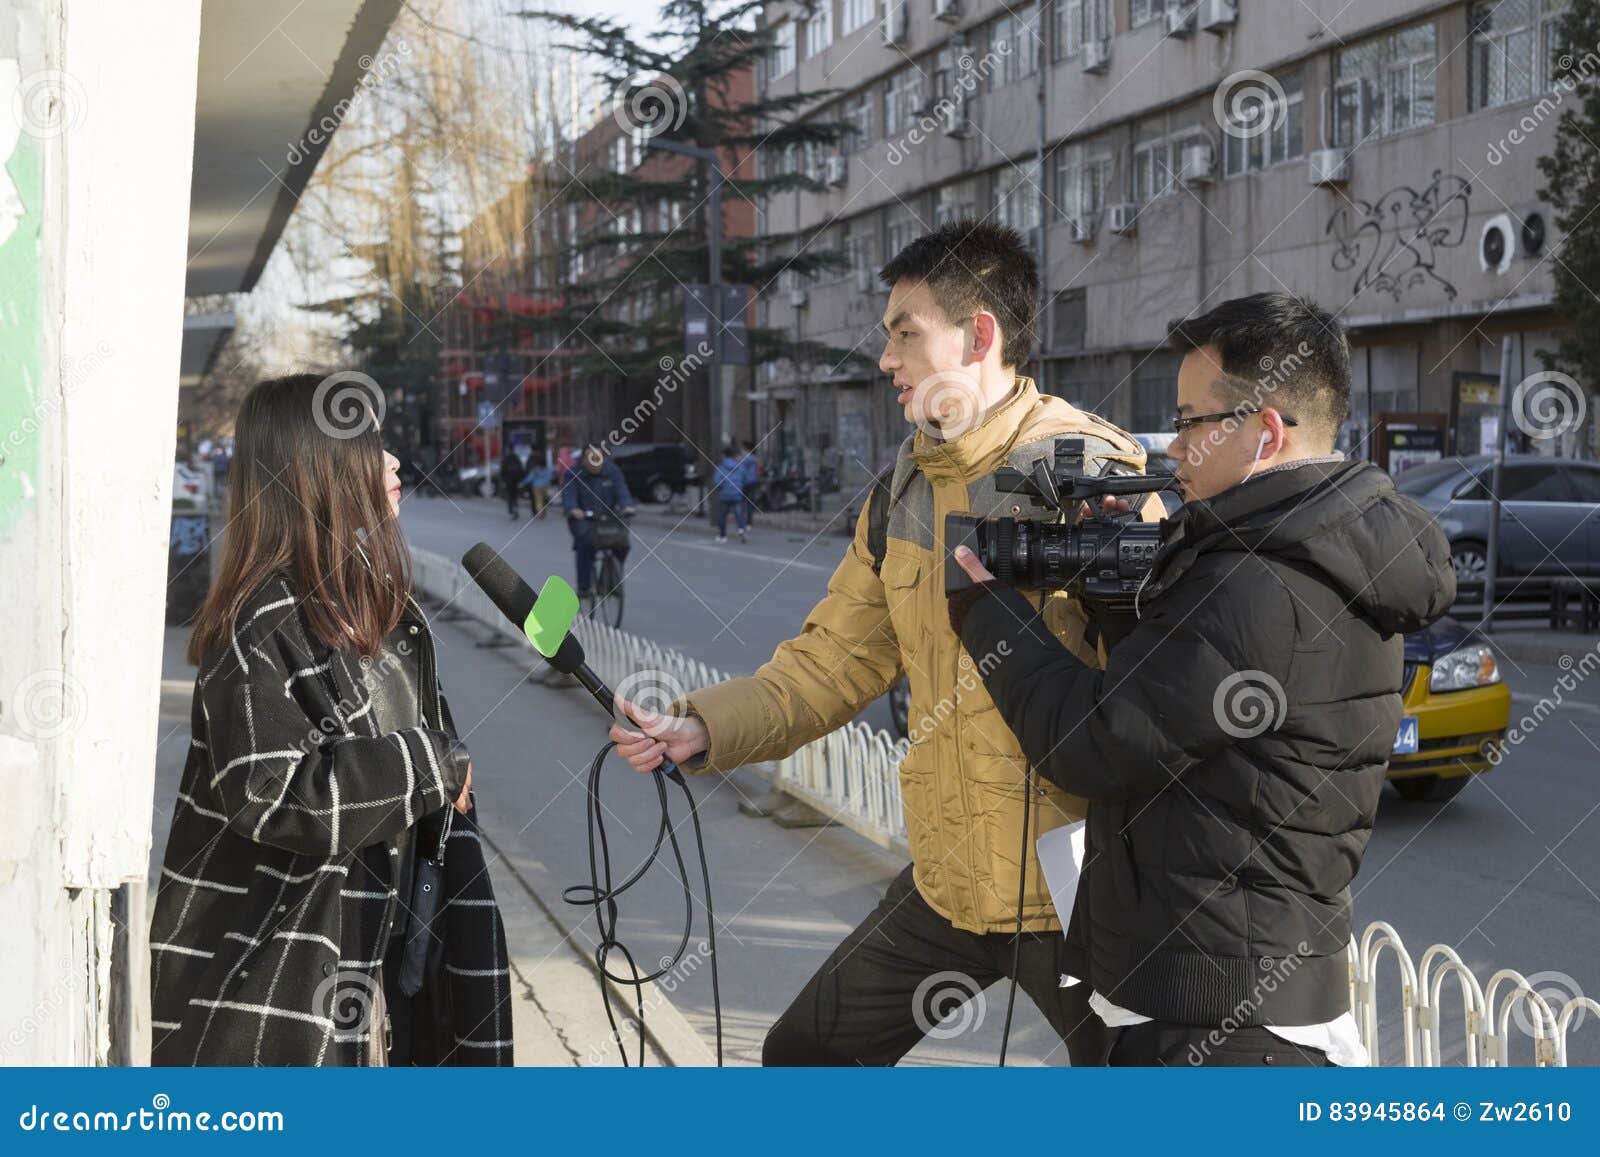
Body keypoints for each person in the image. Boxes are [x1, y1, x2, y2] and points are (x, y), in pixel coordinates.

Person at [609, 220, 1157, 1066]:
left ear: (980, 337)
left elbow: (1163, 687)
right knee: (805, 1055)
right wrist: (700, 725)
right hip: (946, 885)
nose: (886, 360)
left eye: (906, 335)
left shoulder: (1091, 471)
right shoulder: (904, 487)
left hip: (1078, 894)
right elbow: (828, 664)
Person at [947, 293, 1456, 1066]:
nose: (1174, 446)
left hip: (1222, 1025)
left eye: (1190, 420)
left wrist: (986, 611)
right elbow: (1182, 711)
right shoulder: (1311, 553)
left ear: (1266, 431)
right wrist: (1120, 583)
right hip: (1246, 992)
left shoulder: (1259, 587)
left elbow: (1091, 740)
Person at [149, 373, 512, 1067]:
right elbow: (272, 793)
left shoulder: (380, 613)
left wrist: (439, 776)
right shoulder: (259, 626)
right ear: (318, 472)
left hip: (390, 962)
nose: (393, 462)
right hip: (283, 985)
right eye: (373, 447)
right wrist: (432, 765)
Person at [561, 443, 637, 598]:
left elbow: (622, 491)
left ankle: (608, 580)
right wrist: (573, 509)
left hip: (607, 519)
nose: (595, 462)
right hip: (584, 518)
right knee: (586, 543)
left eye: (599, 458)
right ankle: (584, 587)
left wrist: (627, 506)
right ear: (583, 460)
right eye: (591, 458)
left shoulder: (613, 472)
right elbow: (569, 495)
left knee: (622, 544)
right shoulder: (572, 474)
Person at [713, 445, 752, 543]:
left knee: (722, 515)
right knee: (739, 514)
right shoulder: (739, 466)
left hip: (724, 495)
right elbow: (745, 479)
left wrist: (722, 488)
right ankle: (741, 531)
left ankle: (722, 536)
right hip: (737, 493)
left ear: (724, 455)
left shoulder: (721, 467)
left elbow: (717, 481)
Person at [500, 441, 528, 520]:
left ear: (508, 449)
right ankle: (515, 509)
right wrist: (521, 480)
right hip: (516, 481)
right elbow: (521, 470)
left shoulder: (506, 459)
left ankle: (511, 510)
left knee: (510, 496)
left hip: (508, 481)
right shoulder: (517, 458)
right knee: (515, 496)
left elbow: (503, 471)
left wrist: (503, 480)